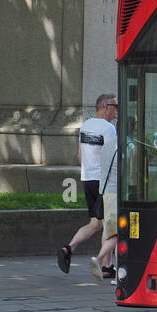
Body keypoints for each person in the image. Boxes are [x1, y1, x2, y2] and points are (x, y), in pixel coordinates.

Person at [58, 93, 118, 273]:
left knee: (96, 223)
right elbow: (111, 157)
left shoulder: (85, 126)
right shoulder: (108, 129)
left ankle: (69, 248)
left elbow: (79, 156)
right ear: (106, 107)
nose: (117, 111)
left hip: (87, 179)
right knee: (108, 225)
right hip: (104, 181)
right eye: (115, 107)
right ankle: (105, 265)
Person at [91, 129, 119, 283]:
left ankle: (116, 275)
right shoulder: (128, 147)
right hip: (117, 195)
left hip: (105, 193)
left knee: (110, 233)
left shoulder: (107, 145)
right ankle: (100, 259)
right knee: (121, 235)